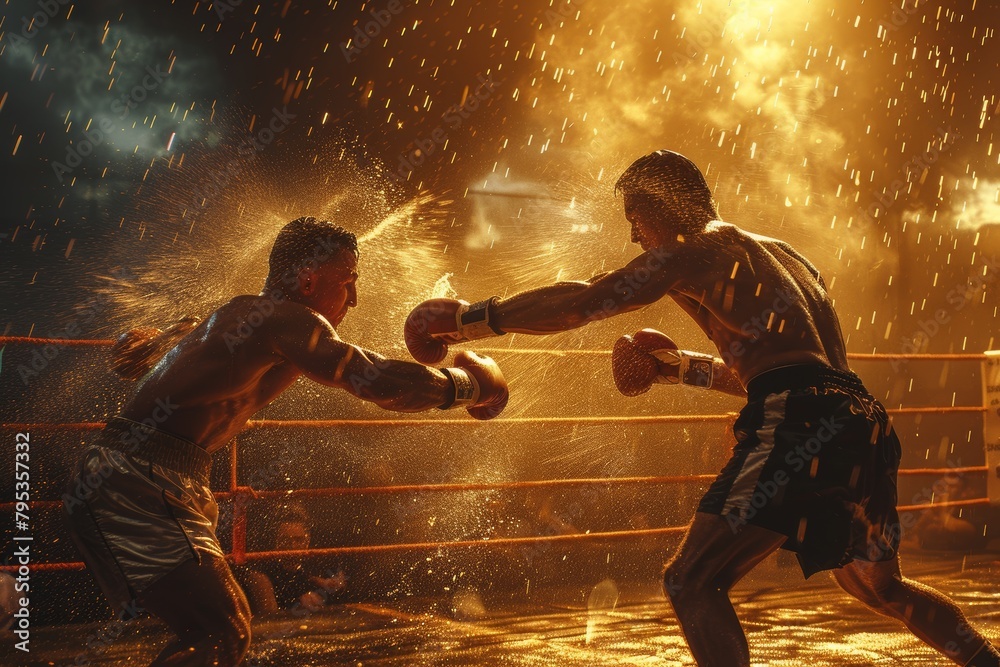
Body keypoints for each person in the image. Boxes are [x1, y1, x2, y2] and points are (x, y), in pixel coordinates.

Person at [402, 150, 1000, 667]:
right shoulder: (786, 259)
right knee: (881, 586)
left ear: (660, 209)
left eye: (635, 220)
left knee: (691, 580)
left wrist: (465, 319)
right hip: (858, 419)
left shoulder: (694, 248)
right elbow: (792, 371)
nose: (634, 237)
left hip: (802, 416)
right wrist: (677, 367)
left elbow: (589, 301)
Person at [63, 216, 509, 667]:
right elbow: (376, 380)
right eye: (348, 280)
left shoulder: (244, 319)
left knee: (216, 630)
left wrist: (149, 346)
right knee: (221, 633)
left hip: (154, 477)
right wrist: (468, 385)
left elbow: (149, 357)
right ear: (307, 278)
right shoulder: (282, 318)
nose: (355, 298)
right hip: (135, 479)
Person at [235, 503, 346, 615]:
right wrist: (299, 604)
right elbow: (270, 618)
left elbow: (341, 590)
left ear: (307, 542)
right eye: (285, 540)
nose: (292, 545)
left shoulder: (314, 565)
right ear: (276, 541)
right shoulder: (262, 573)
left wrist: (331, 585)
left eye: (298, 540)